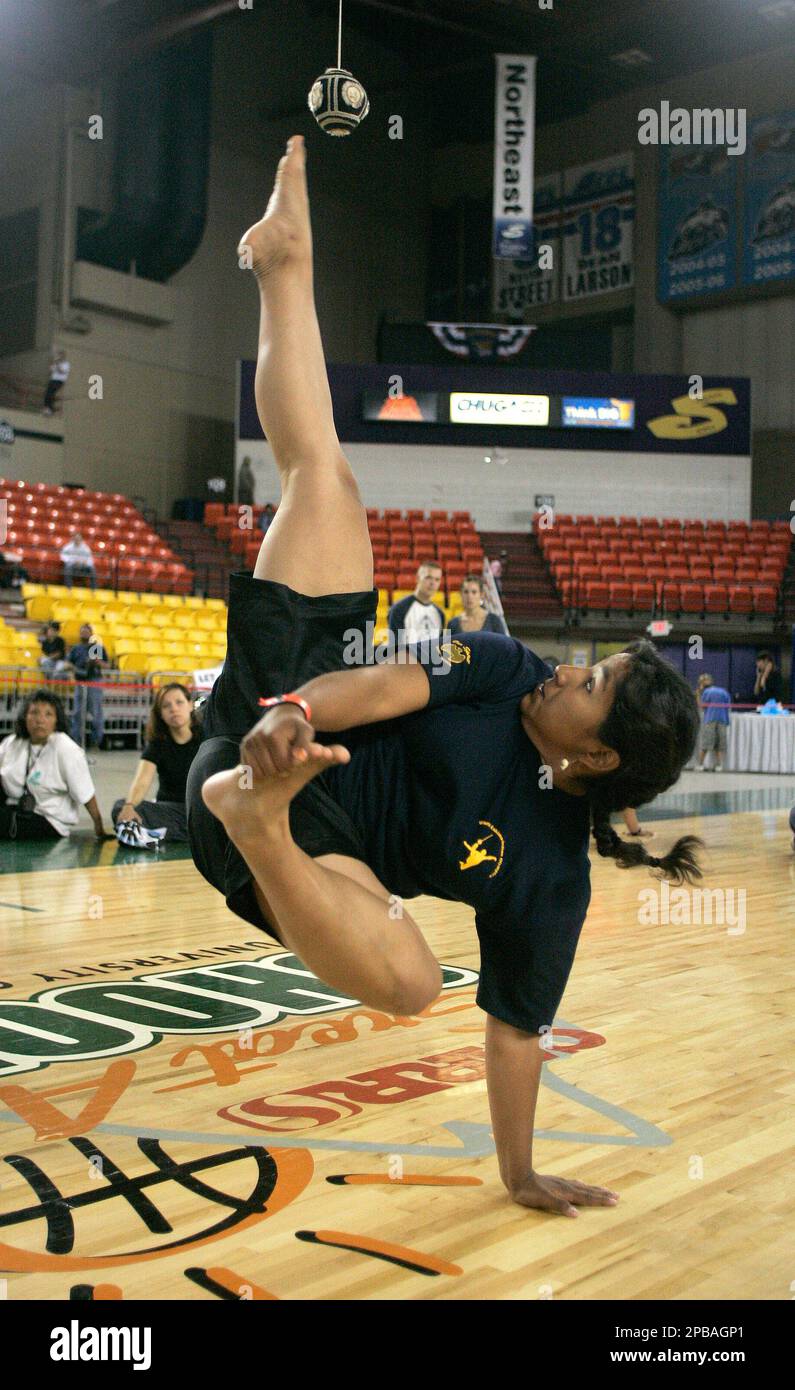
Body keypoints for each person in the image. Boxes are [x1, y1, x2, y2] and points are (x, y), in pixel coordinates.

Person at [187, 135, 702, 1220]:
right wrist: (282, 716)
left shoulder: (552, 879)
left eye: (589, 680)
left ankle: (256, 817)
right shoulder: (503, 663)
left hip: (295, 853)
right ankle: (285, 265)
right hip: (284, 721)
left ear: (597, 754)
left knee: (421, 982)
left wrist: (517, 1172)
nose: (565, 669)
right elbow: (367, 693)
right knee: (327, 478)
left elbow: (515, 1029)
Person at [0, 689, 109, 840]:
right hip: (16, 809)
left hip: (48, 820)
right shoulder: (12, 742)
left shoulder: (66, 748)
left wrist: (99, 825)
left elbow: (85, 792)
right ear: (25, 716)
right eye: (34, 713)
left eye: (48, 714)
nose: (40, 720)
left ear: (56, 720)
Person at [112, 683, 203, 841]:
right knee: (120, 808)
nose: (173, 709)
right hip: (169, 810)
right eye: (166, 706)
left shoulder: (207, 738)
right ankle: (156, 835)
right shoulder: (157, 744)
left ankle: (146, 835)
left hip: (201, 811)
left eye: (179, 702)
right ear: (160, 714)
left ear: (190, 705)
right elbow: (142, 781)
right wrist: (129, 806)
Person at [68, 623, 108, 749]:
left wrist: (97, 662)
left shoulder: (97, 647)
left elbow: (106, 665)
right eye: (82, 631)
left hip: (94, 681)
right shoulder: (76, 648)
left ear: (91, 634)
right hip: (80, 682)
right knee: (78, 713)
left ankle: (96, 741)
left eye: (86, 631)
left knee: (96, 713)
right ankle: (76, 742)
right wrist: (73, 670)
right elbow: (68, 664)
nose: (84, 634)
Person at [388, 561, 446, 645]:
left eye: (437, 579)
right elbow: (395, 648)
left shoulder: (440, 614)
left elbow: (439, 647)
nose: (432, 583)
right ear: (418, 578)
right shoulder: (399, 609)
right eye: (428, 578)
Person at [695, 672, 731, 771]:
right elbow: (728, 705)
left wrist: (698, 695)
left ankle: (700, 765)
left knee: (707, 743)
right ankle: (719, 765)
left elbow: (702, 706)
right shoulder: (723, 691)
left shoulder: (706, 692)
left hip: (710, 719)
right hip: (722, 719)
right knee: (719, 744)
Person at [43, 349, 70, 415]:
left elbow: (62, 371)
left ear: (63, 356)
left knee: (51, 392)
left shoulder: (66, 364)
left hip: (59, 381)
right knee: (47, 393)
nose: (59, 357)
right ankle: (47, 408)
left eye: (60, 355)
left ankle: (50, 408)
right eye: (59, 355)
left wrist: (57, 364)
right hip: (53, 380)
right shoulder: (56, 363)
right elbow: (51, 370)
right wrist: (52, 362)